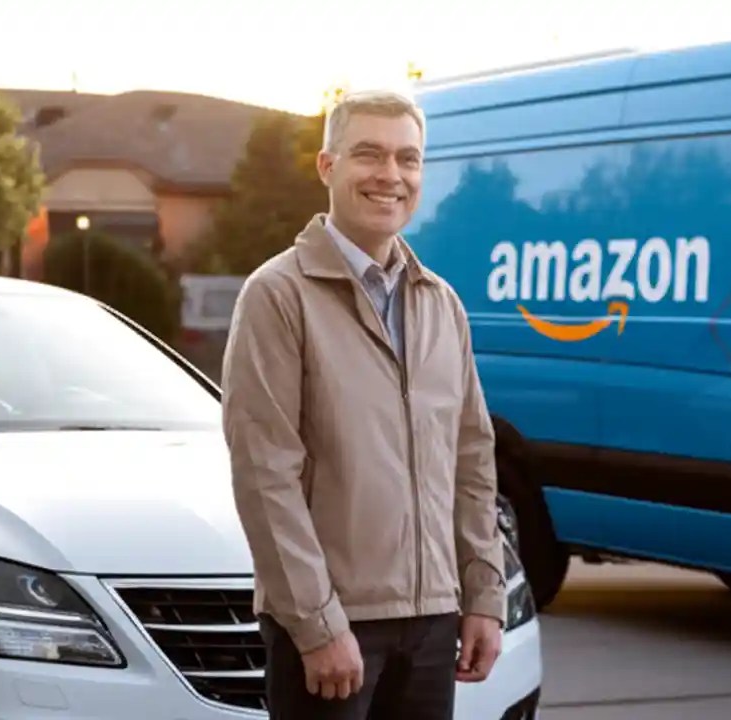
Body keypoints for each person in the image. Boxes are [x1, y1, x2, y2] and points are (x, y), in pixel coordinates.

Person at [220, 88, 506, 719]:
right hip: (333, 626)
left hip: (434, 621)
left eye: (408, 158)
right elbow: (265, 476)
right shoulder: (278, 296)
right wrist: (317, 625)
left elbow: (471, 461)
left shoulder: (441, 304)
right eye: (370, 154)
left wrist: (484, 594)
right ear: (328, 166)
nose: (391, 175)